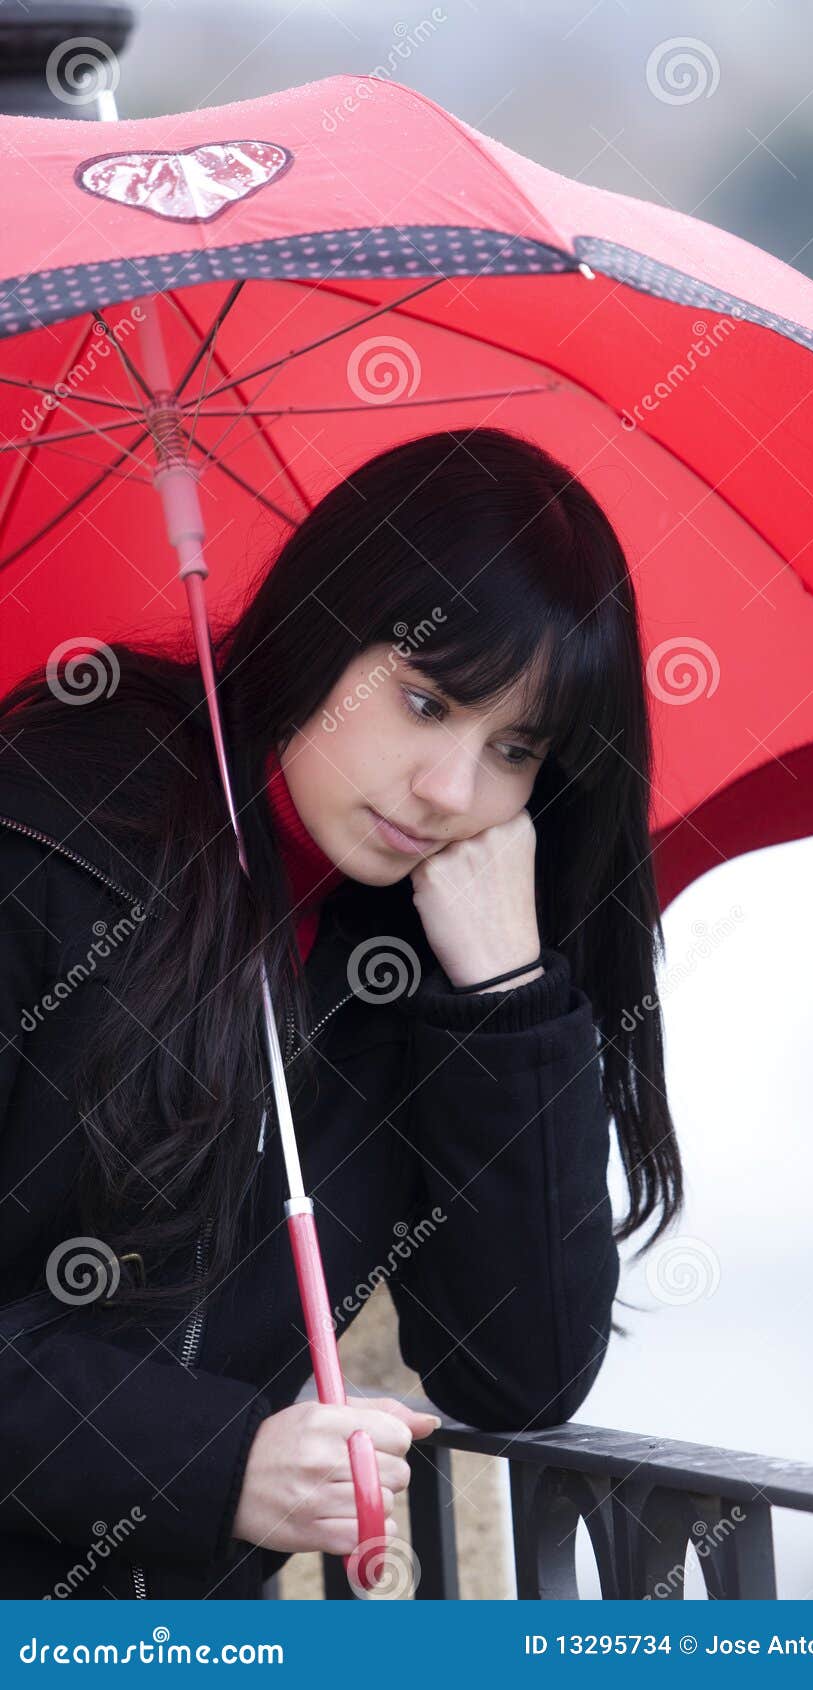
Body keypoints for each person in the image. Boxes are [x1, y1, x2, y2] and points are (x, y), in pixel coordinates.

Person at [0, 426, 682, 1599]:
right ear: (325, 623)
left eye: (513, 747)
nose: (451, 791)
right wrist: (207, 1464)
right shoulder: (51, 845)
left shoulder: (415, 951)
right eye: (425, 700)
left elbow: (517, 1371)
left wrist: (506, 1000)